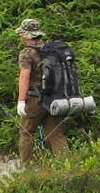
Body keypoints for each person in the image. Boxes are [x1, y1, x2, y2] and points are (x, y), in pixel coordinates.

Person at [15, 18, 70, 166]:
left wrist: (21, 101)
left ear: (26, 35)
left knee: (26, 133)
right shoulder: (50, 50)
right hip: (53, 98)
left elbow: (24, 76)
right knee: (55, 133)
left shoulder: (27, 53)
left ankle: (26, 168)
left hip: (35, 99)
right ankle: (67, 167)